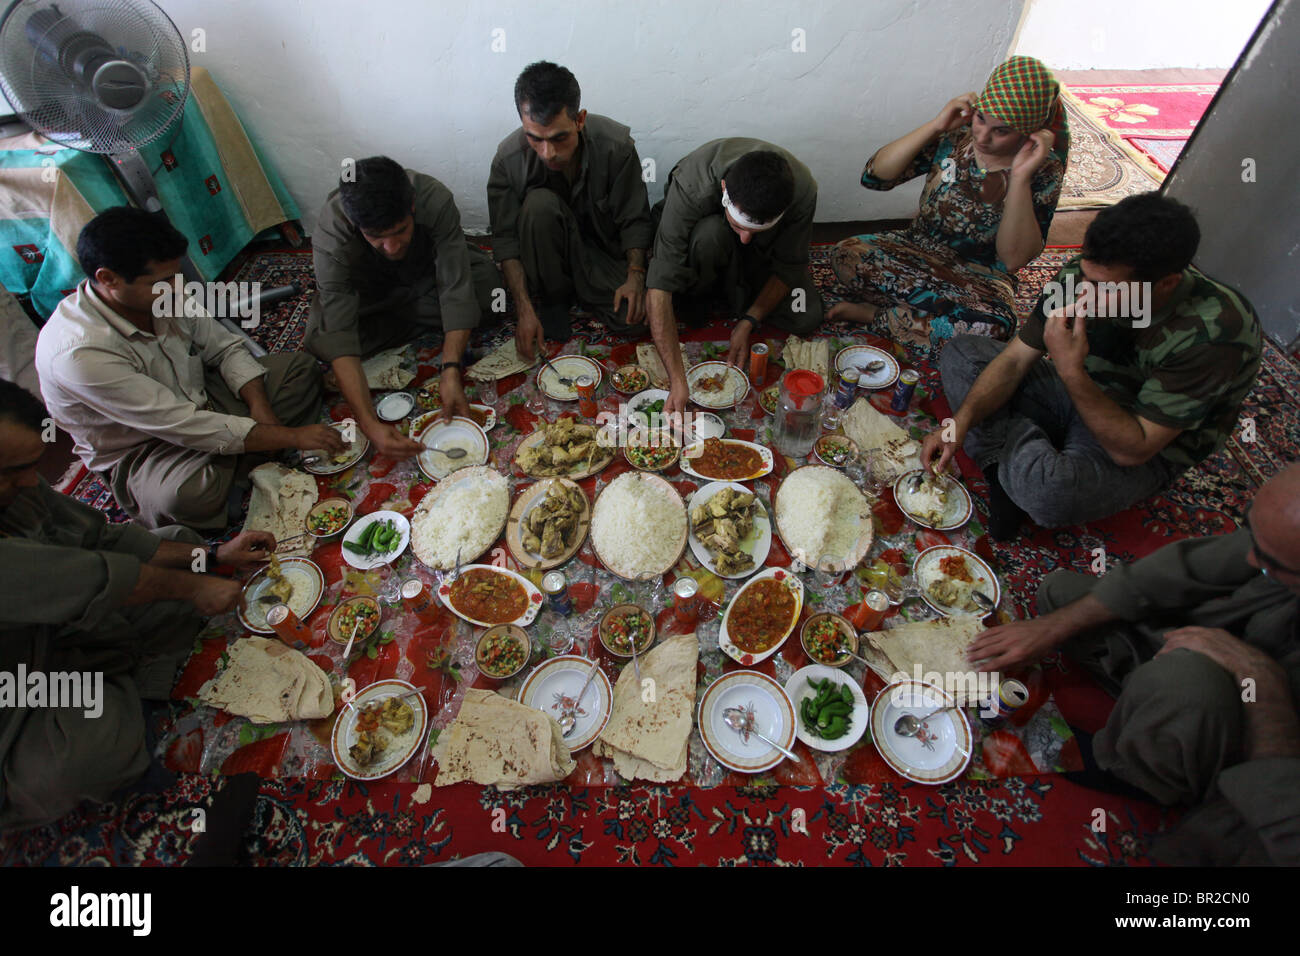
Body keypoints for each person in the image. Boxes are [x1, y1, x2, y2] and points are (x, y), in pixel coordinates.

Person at [969, 462, 1300, 865]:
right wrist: (1050, 629)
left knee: (1184, 677)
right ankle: (1157, 712)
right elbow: (1178, 572)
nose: (1250, 556)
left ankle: (1136, 769)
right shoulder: (1273, 552)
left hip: (1262, 749)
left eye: (1269, 561)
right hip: (1220, 654)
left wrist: (1256, 676)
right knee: (1063, 595)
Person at [0, 378, 276, 829]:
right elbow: (96, 581)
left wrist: (213, 555)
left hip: (65, 618)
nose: (31, 480)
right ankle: (121, 684)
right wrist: (193, 589)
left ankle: (122, 671)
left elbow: (102, 539)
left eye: (31, 465)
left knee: (182, 544)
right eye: (11, 472)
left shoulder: (19, 486)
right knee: (92, 758)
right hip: (17, 690)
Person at [921, 193, 1261, 538]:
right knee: (963, 355)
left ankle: (1012, 467)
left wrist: (1070, 369)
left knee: (1050, 492)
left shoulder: (1214, 334)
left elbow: (1134, 449)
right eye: (1085, 276)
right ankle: (1006, 473)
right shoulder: (1082, 277)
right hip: (1079, 393)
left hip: (1139, 437)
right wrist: (959, 424)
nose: (1084, 293)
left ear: (1166, 284)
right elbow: (1014, 359)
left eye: (1105, 288)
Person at [35, 207, 339, 532]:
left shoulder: (163, 291)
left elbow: (224, 348)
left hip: (201, 396)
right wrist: (292, 435)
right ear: (108, 279)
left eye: (175, 275)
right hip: (147, 447)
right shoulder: (79, 355)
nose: (177, 288)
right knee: (185, 496)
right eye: (162, 281)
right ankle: (251, 455)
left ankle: (243, 462)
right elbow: (181, 424)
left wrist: (260, 407)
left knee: (299, 370)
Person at [829, 55, 1068, 353]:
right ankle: (923, 319)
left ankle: (877, 315)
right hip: (915, 250)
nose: (982, 136)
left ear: (1026, 133)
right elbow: (875, 177)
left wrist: (1020, 177)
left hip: (980, 279)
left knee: (995, 328)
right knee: (845, 254)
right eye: (981, 119)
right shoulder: (956, 138)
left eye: (1001, 131)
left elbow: (1012, 259)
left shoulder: (1044, 169)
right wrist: (936, 125)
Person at [307, 156, 500, 457]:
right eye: (376, 237)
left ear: (412, 206)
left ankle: (409, 319)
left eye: (400, 231)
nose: (392, 247)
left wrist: (450, 369)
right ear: (357, 225)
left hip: (425, 278)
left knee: (490, 294)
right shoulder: (331, 231)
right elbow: (339, 329)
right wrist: (369, 424)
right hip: (372, 293)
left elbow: (455, 285)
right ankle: (423, 317)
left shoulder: (434, 198)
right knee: (324, 339)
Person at [488, 61, 653, 355]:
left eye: (559, 138)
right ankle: (554, 300)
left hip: (599, 253)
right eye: (535, 138)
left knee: (637, 318)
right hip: (544, 262)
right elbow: (505, 242)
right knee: (539, 205)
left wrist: (635, 276)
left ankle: (586, 291)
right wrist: (524, 308)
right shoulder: (508, 159)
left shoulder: (616, 148)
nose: (547, 153)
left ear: (580, 120)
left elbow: (635, 220)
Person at [645, 140, 822, 414]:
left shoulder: (802, 190)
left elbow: (789, 266)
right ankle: (705, 296)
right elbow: (659, 287)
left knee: (806, 315)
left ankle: (738, 299)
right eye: (739, 226)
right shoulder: (692, 184)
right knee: (709, 235)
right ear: (724, 189)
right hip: (706, 250)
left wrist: (750, 320)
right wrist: (678, 382)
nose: (745, 237)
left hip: (759, 258)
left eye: (755, 229)